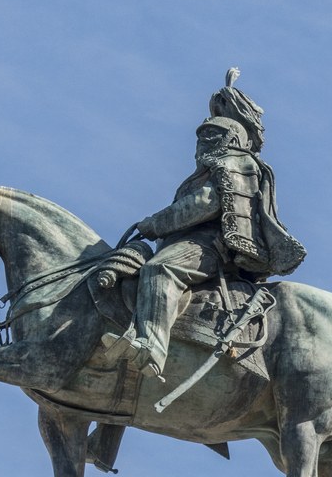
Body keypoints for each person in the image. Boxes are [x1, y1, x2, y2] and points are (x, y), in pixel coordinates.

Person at [106, 71, 307, 377]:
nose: (202, 143)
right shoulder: (215, 165)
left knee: (160, 268)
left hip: (209, 248)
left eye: (212, 136)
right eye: (201, 136)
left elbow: (205, 203)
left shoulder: (236, 162)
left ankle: (152, 347)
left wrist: (154, 223)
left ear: (232, 138)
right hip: (190, 243)